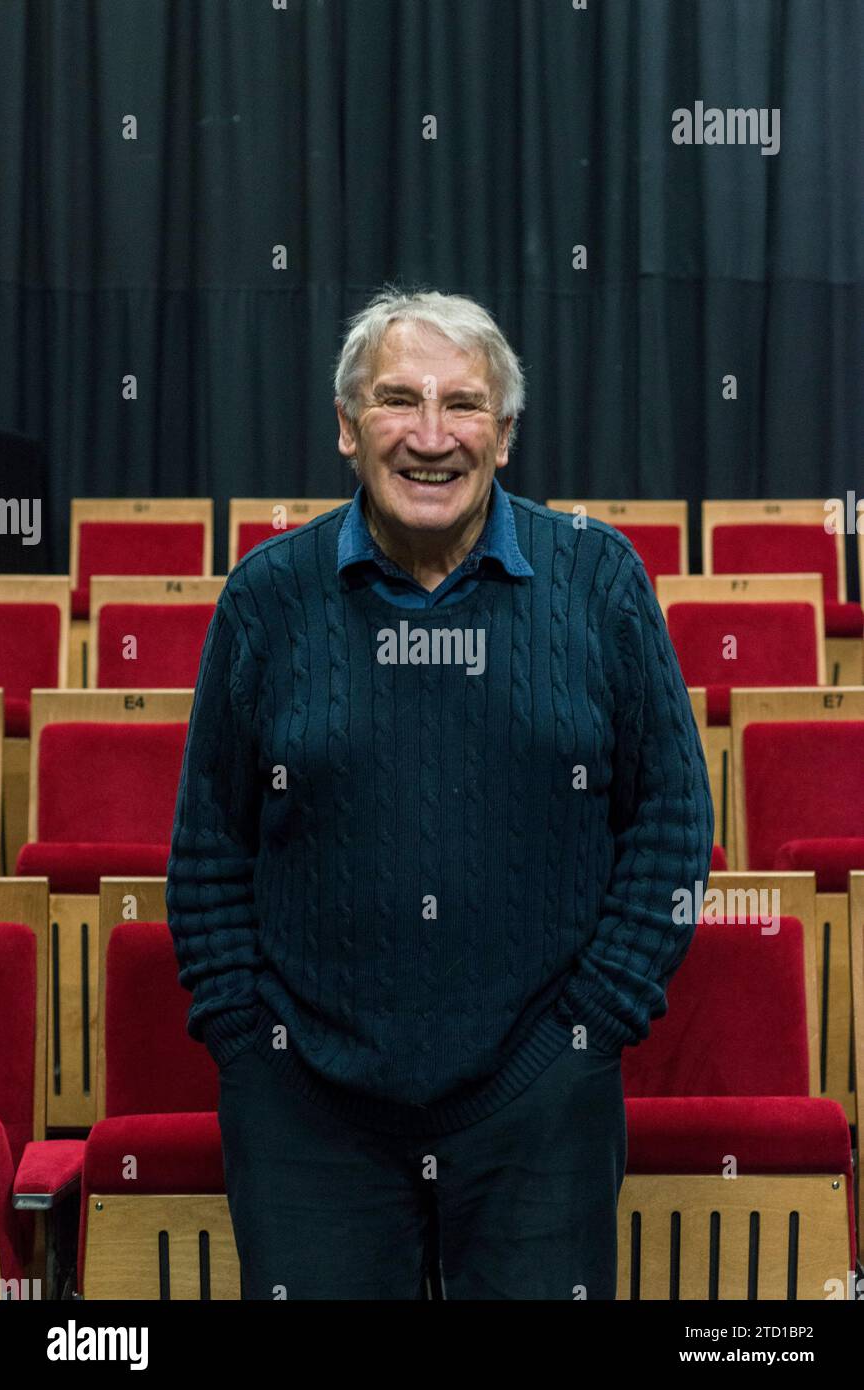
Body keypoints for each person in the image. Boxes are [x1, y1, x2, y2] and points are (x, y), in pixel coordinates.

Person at [166, 287, 714, 1300]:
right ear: (345, 426)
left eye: (463, 405)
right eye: (396, 400)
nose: (431, 436)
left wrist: (589, 1024)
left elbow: (673, 819)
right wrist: (248, 1043)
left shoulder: (598, 580)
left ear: (504, 436)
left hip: (541, 1101)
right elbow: (208, 849)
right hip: (306, 1111)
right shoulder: (267, 596)